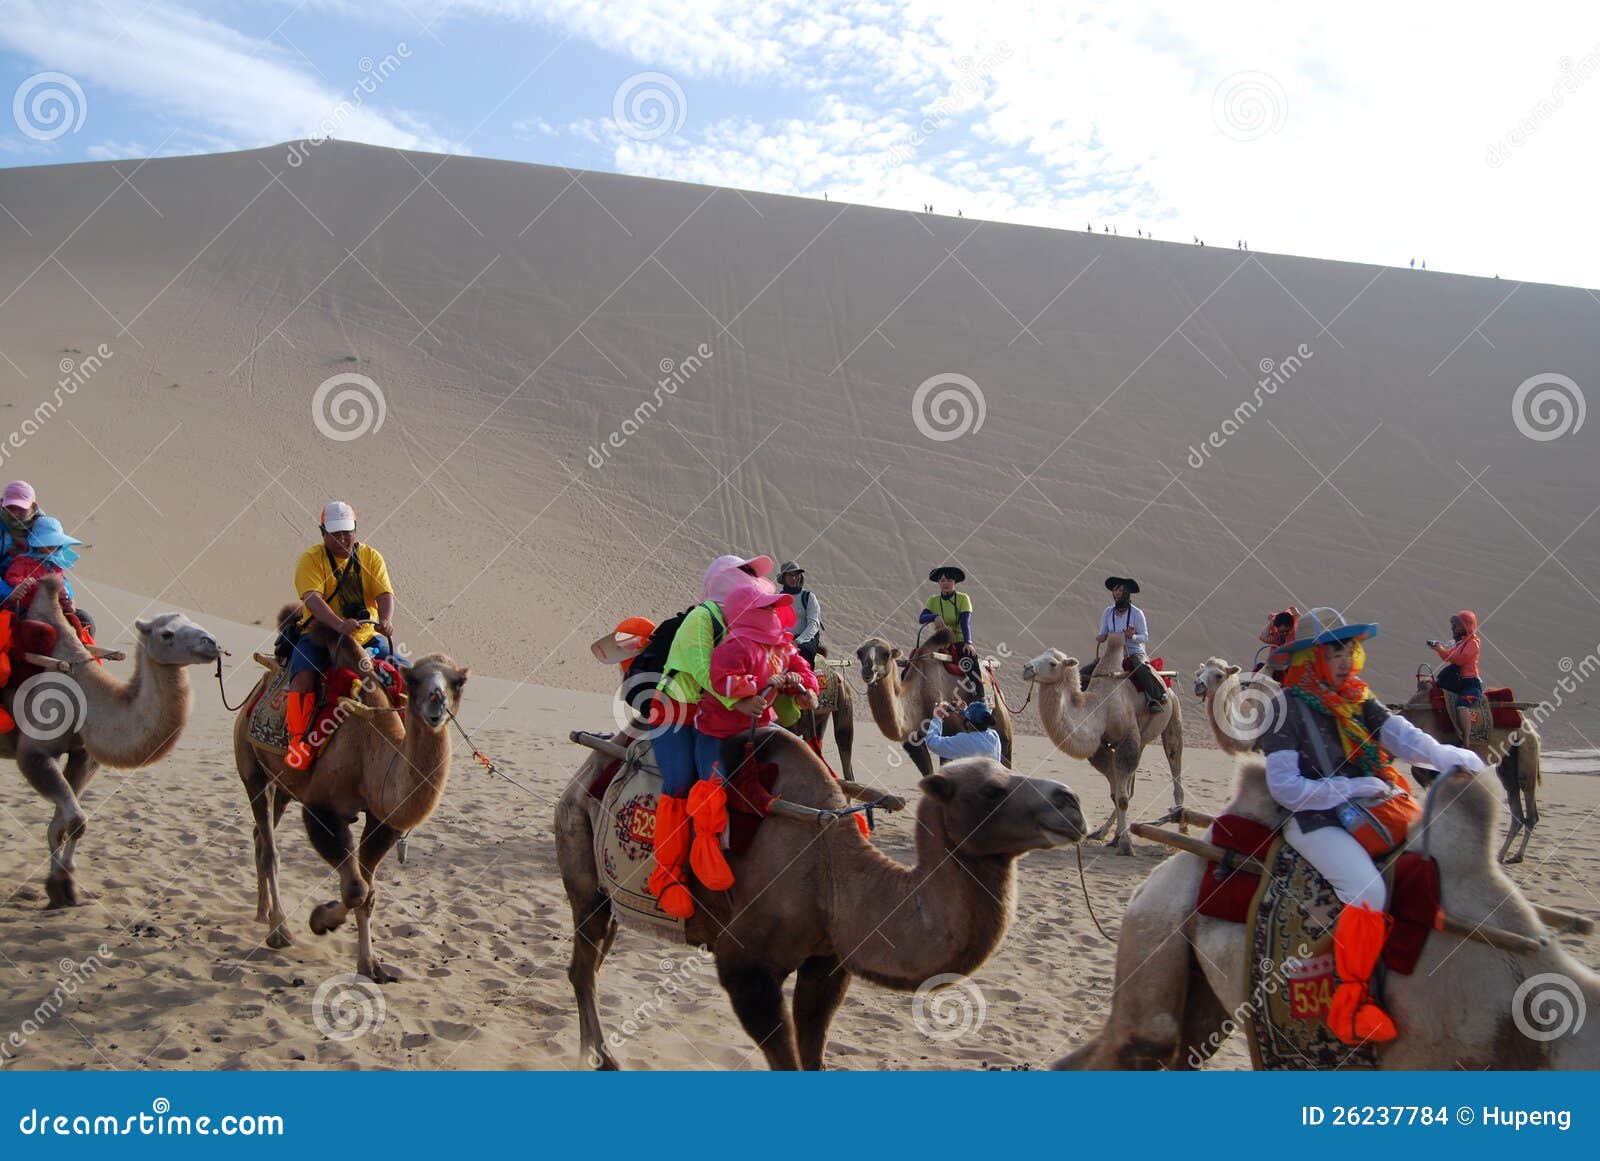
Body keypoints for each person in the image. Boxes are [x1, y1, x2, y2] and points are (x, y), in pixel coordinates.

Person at [1259, 608, 1487, 1044]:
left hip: (1372, 801)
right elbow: (1286, 787)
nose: (1345, 660)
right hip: (1312, 817)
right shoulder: (1284, 708)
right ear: (1310, 658)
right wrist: (1354, 785)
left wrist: (1451, 758)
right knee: (1368, 893)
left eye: (1349, 650)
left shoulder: (1357, 696)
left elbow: (1402, 737)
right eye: (1334, 652)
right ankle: (1351, 1005)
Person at [646, 553, 775, 918]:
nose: (751, 577)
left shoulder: (743, 620)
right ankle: (668, 875)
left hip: (715, 715)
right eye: (745, 571)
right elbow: (705, 670)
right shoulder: (701, 618)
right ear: (722, 578)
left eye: (754, 573)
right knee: (680, 780)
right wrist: (743, 697)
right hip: (677, 710)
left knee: (721, 778)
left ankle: (713, 856)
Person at [684, 585, 817, 904]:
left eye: (774, 609)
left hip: (763, 728)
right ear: (747, 612)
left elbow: (801, 669)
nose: (773, 615)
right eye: (766, 609)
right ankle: (708, 855)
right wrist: (758, 687)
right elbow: (723, 679)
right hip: (718, 731)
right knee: (713, 790)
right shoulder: (735, 645)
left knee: (805, 767)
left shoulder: (783, 647)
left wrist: (803, 689)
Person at [283, 501, 397, 771]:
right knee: (302, 677)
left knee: (399, 674)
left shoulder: (371, 557)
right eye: (336, 533)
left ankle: (403, 738)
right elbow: (312, 598)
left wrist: (385, 620)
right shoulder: (311, 560)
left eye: (347, 532)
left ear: (356, 530)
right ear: (323, 533)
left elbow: (384, 593)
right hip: (321, 635)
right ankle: (298, 744)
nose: (343, 538)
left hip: (366, 637)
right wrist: (337, 624)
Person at [1081, 576, 1166, 712]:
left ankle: (1155, 698)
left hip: (1133, 653)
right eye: (1115, 590)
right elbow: (1102, 633)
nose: (1118, 593)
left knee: (1140, 667)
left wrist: (1132, 636)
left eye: (1121, 590)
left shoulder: (1137, 613)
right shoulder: (1108, 612)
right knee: (1085, 671)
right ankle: (1080, 699)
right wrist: (1101, 637)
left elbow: (1144, 637)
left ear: (1127, 593)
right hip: (1113, 653)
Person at [919, 565, 975, 659]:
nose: (946, 583)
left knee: (970, 662)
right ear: (938, 583)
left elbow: (965, 623)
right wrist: (935, 616)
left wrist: (968, 642)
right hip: (939, 640)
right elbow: (921, 618)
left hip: (959, 641)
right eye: (942, 580)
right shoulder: (932, 600)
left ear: (954, 582)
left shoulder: (963, 598)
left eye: (949, 580)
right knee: (916, 657)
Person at [1429, 610, 1483, 704]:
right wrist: (1438, 649)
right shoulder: (1461, 643)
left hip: (1470, 683)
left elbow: (1459, 660)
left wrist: (1441, 650)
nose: (1453, 628)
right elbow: (1449, 657)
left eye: (1457, 625)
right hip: (1457, 681)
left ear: (1465, 627)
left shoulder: (1473, 643)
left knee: (1462, 706)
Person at [925, 699, 1003, 763]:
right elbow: (975, 724)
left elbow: (932, 742)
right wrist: (963, 711)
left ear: (968, 724)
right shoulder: (994, 736)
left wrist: (937, 718)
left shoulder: (964, 741)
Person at [778, 559, 822, 665]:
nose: (794, 578)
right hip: (784, 639)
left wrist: (798, 642)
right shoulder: (777, 598)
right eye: (790, 575)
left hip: (805, 639)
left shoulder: (808, 597)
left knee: (804, 654)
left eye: (796, 575)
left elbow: (814, 624)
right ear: (784, 578)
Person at [1256, 606, 1299, 680]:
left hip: (1290, 669)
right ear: (1277, 629)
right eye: (1281, 631)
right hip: (1275, 667)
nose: (1284, 633)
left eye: (1287, 631)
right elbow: (1263, 637)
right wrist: (1272, 622)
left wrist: (1296, 616)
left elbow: (1300, 621)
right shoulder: (1276, 638)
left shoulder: (1294, 636)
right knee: (1259, 667)